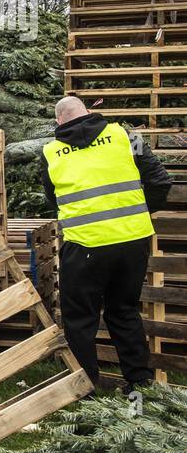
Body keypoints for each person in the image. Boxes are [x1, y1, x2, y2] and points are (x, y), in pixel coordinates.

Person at [42, 95, 170, 393]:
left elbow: (53, 200)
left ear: (59, 121)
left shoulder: (51, 153)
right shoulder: (124, 136)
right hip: (132, 242)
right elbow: (160, 182)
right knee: (124, 310)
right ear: (88, 111)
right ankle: (139, 383)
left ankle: (85, 389)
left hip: (84, 247)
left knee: (80, 319)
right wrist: (136, 211)